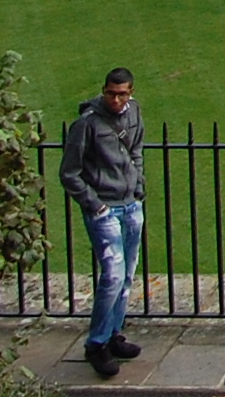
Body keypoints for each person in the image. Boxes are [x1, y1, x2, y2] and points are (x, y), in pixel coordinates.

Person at [62, 68, 144, 378]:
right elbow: (69, 173)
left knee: (127, 276)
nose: (115, 99)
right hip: (105, 209)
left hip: (130, 204)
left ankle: (113, 334)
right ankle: (96, 344)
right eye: (111, 93)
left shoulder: (134, 112)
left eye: (122, 94)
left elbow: (136, 150)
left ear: (130, 93)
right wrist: (95, 205)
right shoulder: (87, 124)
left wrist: (138, 186)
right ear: (103, 90)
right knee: (112, 276)